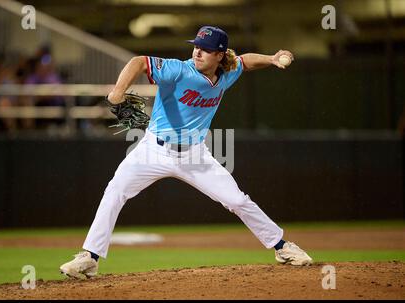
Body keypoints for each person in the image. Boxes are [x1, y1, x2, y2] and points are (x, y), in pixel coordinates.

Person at [60, 26, 313, 278]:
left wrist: (270, 59)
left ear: (220, 56)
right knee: (115, 190)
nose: (197, 52)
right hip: (153, 150)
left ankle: (281, 247)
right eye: (196, 46)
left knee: (237, 200)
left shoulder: (227, 73)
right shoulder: (179, 69)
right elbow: (138, 62)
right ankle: (90, 257)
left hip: (195, 155)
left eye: (205, 49)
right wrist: (117, 91)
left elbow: (245, 61)